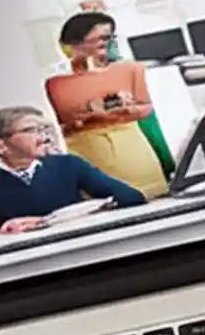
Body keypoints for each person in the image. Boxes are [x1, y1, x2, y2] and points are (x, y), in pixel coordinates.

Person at [0, 106, 146, 253]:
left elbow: (133, 198)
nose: (44, 137)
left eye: (44, 130)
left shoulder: (69, 164)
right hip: (26, 269)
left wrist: (51, 220)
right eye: (32, 130)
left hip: (85, 252)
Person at [46, 12, 171, 200]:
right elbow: (63, 126)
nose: (106, 42)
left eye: (109, 36)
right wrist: (90, 113)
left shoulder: (130, 69)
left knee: (153, 198)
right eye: (101, 37)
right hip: (89, 155)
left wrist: (127, 108)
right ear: (75, 42)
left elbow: (146, 108)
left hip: (132, 149)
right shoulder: (56, 84)